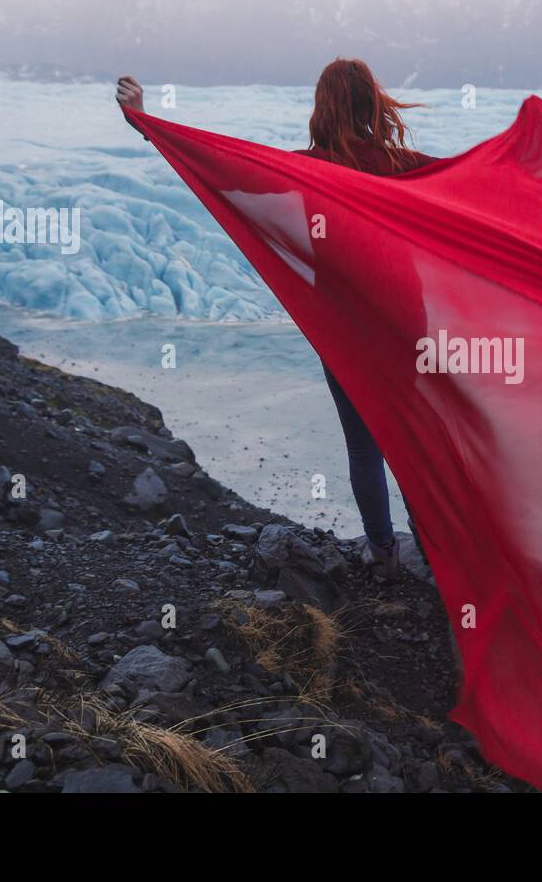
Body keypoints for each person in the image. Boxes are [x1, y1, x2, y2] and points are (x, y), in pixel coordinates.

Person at [116, 58, 436, 580]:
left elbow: (218, 166)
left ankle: (384, 556)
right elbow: (472, 186)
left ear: (323, 106)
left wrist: (147, 124)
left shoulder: (303, 168)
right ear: (375, 103)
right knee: (412, 444)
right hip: (405, 328)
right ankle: (436, 549)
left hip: (344, 331)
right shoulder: (403, 164)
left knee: (364, 446)